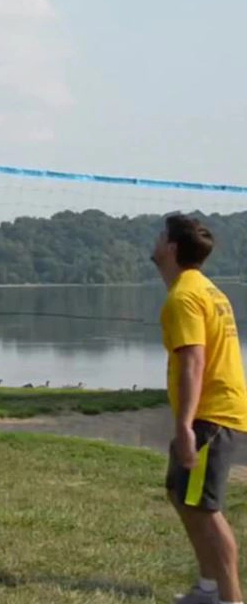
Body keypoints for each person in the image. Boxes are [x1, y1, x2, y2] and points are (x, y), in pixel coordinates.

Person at [153, 214, 247, 604]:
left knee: (205, 509)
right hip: (215, 411)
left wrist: (185, 426)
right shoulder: (205, 289)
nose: (156, 241)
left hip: (212, 415)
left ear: (172, 248)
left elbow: (194, 362)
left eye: (161, 235)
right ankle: (208, 588)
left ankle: (230, 598)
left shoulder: (184, 297)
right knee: (181, 493)